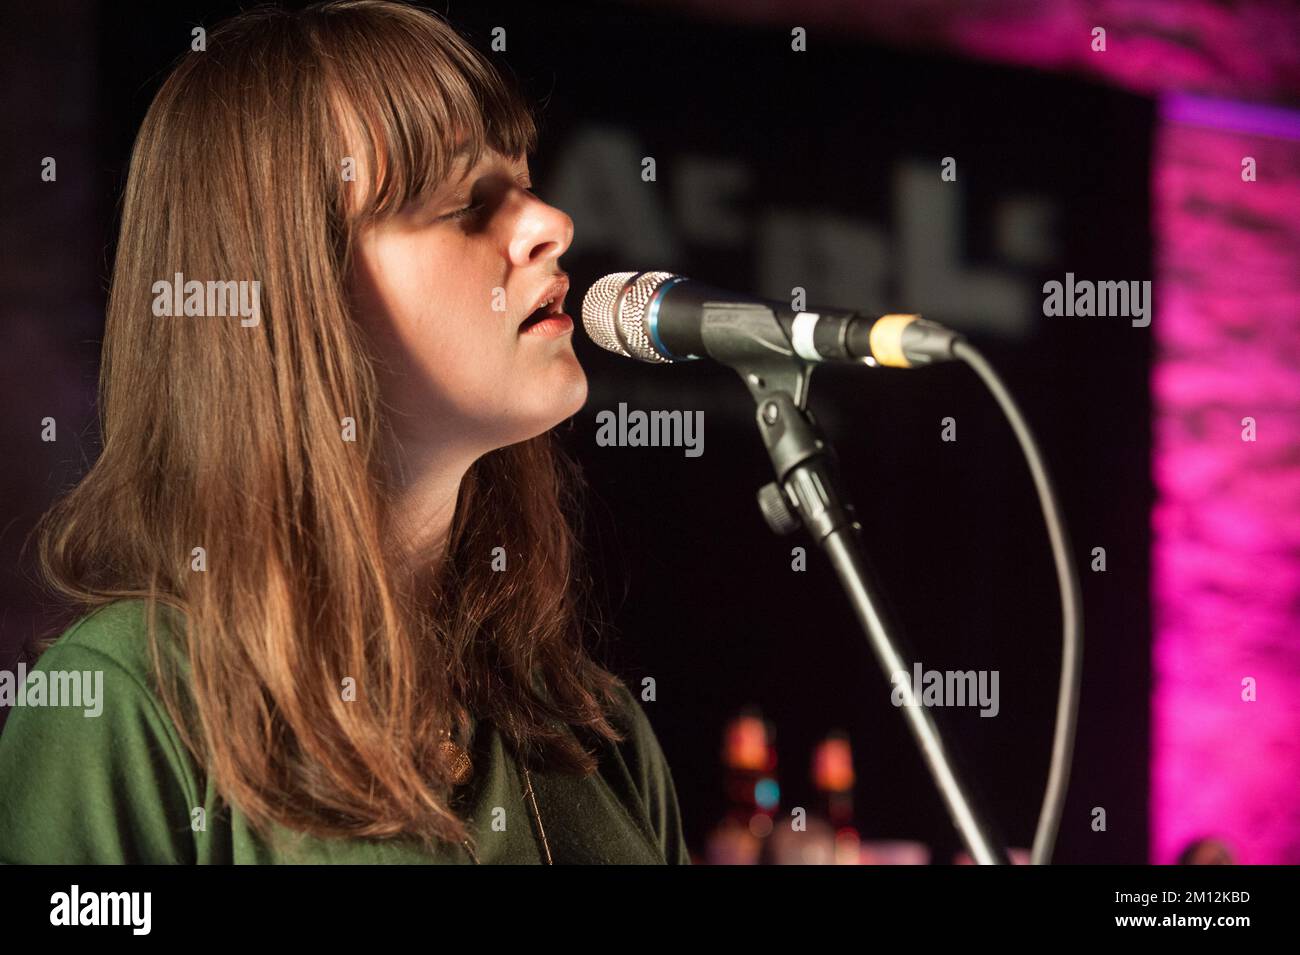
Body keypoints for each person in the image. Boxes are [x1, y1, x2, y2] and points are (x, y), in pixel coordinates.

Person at [0, 0, 690, 865]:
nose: (552, 223)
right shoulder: (123, 705)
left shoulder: (599, 730)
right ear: (294, 294)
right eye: (464, 203)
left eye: (522, 181)